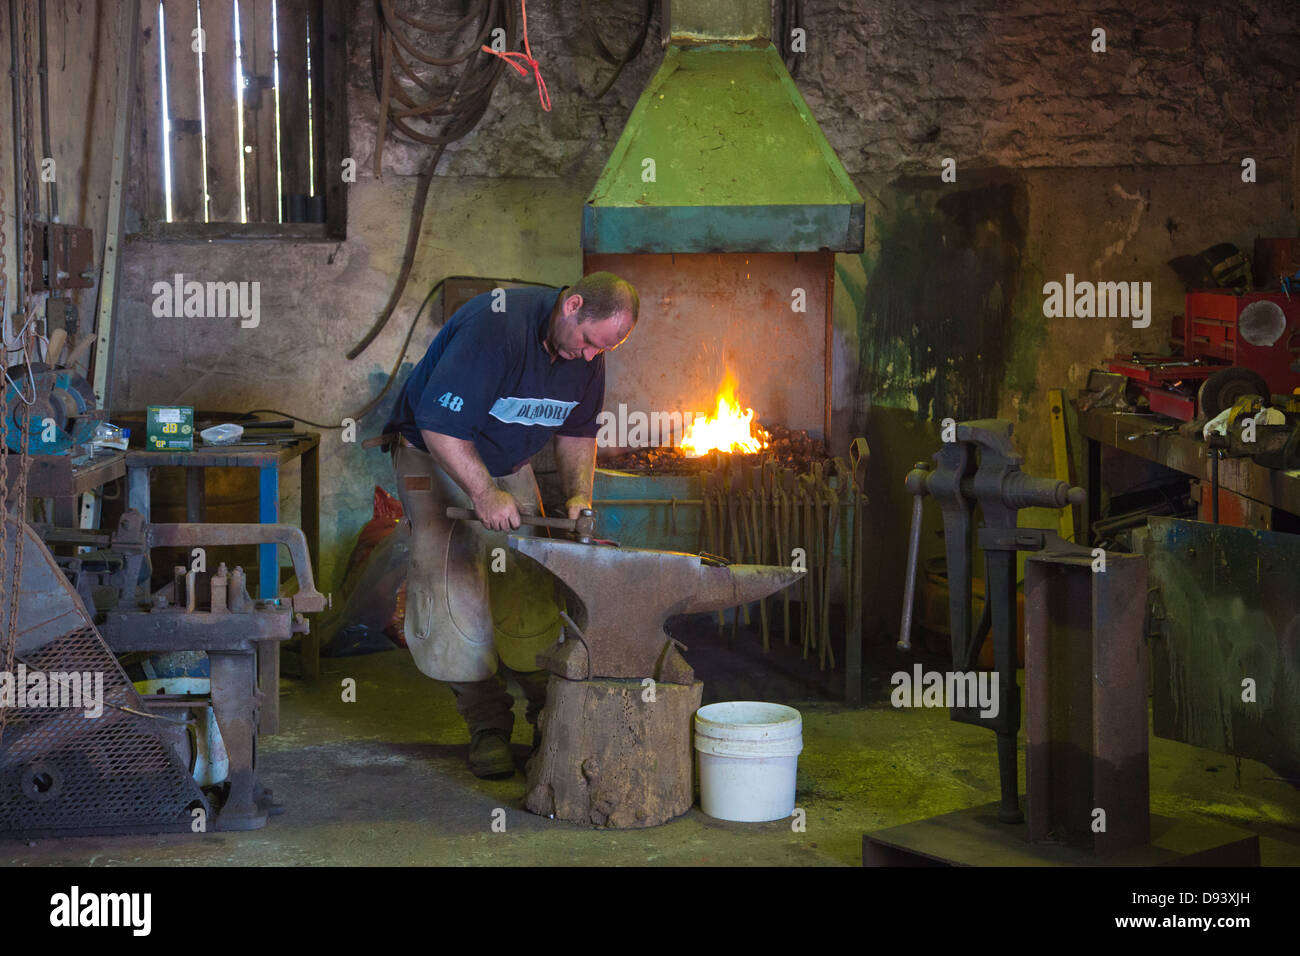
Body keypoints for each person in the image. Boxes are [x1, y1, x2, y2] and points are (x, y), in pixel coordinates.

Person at [384, 272, 638, 778]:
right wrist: (483, 492)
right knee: (458, 589)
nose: (591, 357)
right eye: (589, 342)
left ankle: (548, 713)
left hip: (509, 464)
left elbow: (576, 433)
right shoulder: (494, 327)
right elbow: (438, 426)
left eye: (602, 350)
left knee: (526, 581)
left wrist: (578, 496)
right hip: (434, 455)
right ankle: (488, 726)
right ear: (573, 306)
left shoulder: (587, 356)